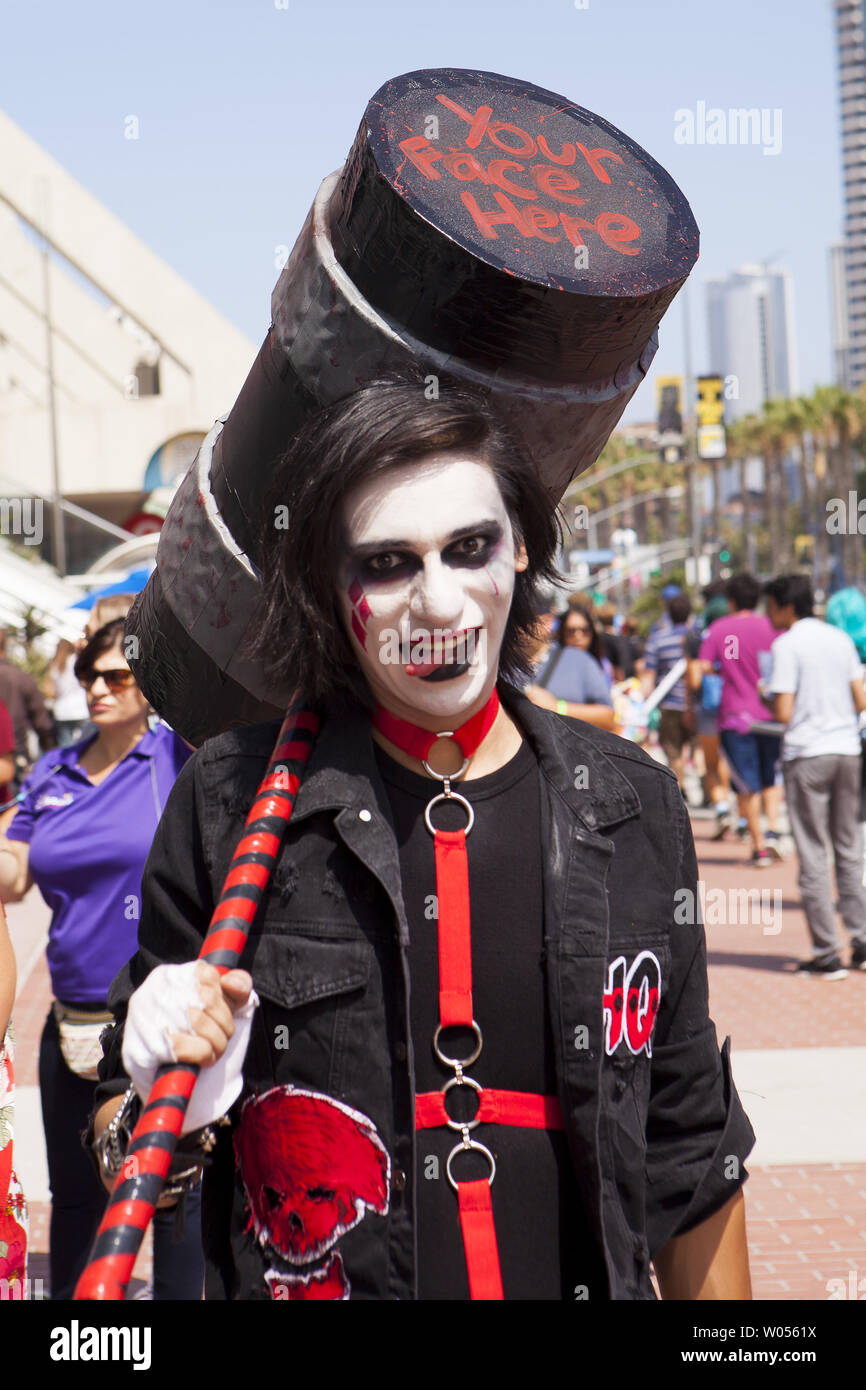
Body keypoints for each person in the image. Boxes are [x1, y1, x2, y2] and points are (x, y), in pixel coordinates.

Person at [87, 373, 754, 1303]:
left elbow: (689, 1148)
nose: (438, 605)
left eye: (468, 547)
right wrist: (172, 1092)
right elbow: (125, 1141)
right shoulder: (230, 802)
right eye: (389, 563)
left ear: (521, 548)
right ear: (330, 584)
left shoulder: (631, 801)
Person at [0, 620, 204, 1300]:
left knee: (171, 1206)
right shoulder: (53, 771)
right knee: (76, 1203)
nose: (96, 688)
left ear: (148, 687)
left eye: (115, 675)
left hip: (160, 1027)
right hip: (69, 1026)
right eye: (88, 674)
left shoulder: (177, 762)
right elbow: (15, 872)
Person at [764, 575, 866, 979]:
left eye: (771, 605)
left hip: (807, 754)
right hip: (847, 751)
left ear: (787, 607)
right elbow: (861, 698)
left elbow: (784, 711)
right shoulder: (839, 639)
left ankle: (826, 951)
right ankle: (861, 940)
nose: (769, 613)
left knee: (812, 854)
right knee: (849, 849)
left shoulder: (786, 645)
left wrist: (765, 695)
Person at [698, 573, 783, 868]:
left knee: (746, 784)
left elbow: (705, 666)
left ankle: (759, 846)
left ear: (730, 600)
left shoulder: (719, 629)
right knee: (771, 776)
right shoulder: (771, 627)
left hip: (735, 717)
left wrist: (727, 671)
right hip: (770, 715)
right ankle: (773, 829)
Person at [686, 583, 733, 838]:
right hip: (734, 709)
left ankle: (723, 807)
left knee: (711, 763)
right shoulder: (732, 638)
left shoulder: (697, 639)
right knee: (729, 761)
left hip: (707, 707)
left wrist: (688, 707)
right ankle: (741, 816)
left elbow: (693, 680)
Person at [525, 604, 615, 729]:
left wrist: (558, 707)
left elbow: (608, 716)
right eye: (571, 631)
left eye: (585, 630)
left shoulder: (592, 662)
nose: (578, 636)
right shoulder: (554, 659)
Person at [642, 593, 695, 794]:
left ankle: (680, 791)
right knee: (698, 748)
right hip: (696, 704)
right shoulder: (699, 637)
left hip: (669, 704)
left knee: (674, 752)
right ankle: (715, 797)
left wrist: (643, 704)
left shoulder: (657, 640)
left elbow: (649, 675)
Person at [0, 628, 56, 790]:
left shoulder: (20, 677)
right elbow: (43, 723)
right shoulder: (21, 677)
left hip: (12, 762)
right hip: (17, 757)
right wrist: (51, 752)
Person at [47, 638, 91, 747]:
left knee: (65, 746)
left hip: (62, 711)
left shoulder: (55, 665)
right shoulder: (74, 660)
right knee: (84, 745)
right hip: (80, 709)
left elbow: (52, 690)